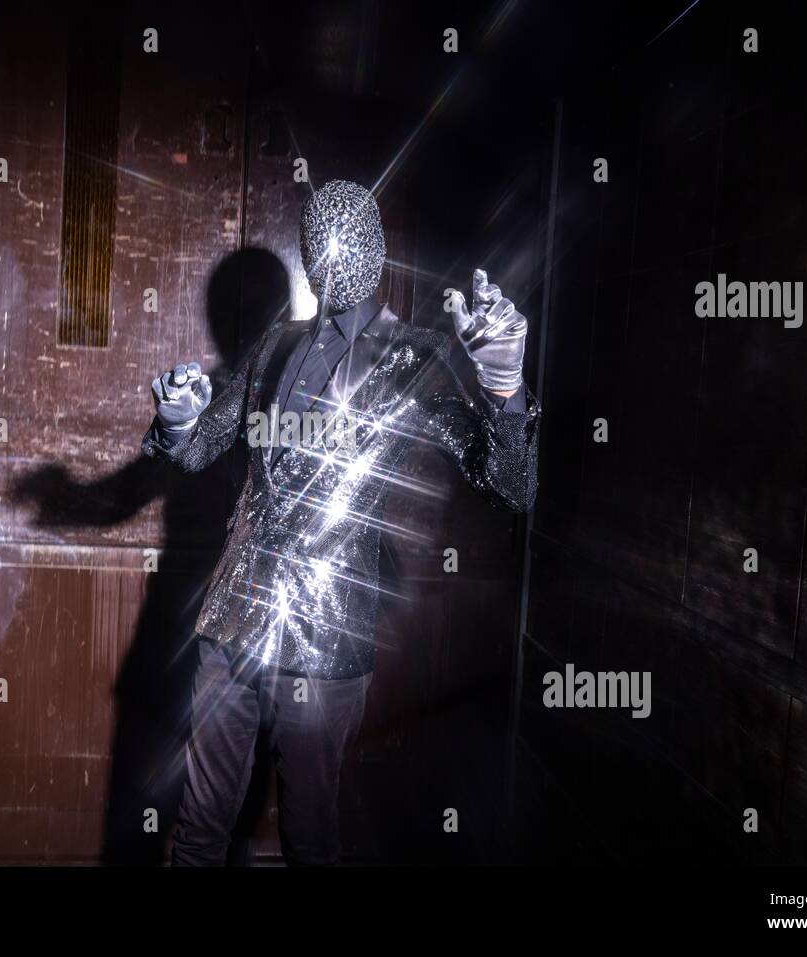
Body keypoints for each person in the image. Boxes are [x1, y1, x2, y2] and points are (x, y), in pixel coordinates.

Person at [141, 179, 540, 865]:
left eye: (347, 231)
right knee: (199, 830)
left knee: (311, 837)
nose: (332, 246)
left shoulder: (413, 355)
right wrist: (177, 420)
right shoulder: (274, 345)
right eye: (318, 232)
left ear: (377, 249)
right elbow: (200, 446)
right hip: (233, 625)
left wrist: (504, 389)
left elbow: (511, 486)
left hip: (326, 643)